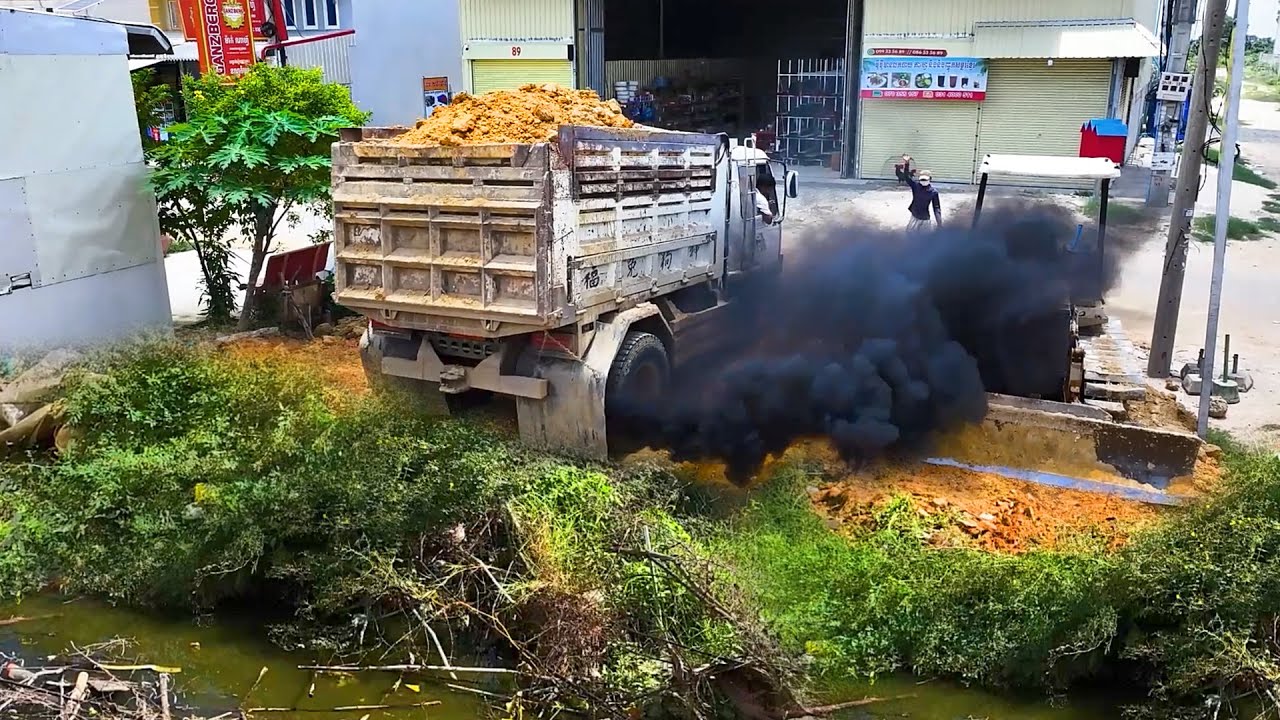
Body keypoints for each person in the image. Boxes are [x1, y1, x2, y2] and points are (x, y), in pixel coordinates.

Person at [900, 154, 941, 233]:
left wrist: (939, 223)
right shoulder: (915, 186)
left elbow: (936, 208)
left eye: (925, 180)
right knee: (909, 236)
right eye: (922, 180)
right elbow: (906, 177)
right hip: (914, 217)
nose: (923, 181)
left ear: (930, 179)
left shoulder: (933, 192)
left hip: (925, 219)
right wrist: (907, 163)